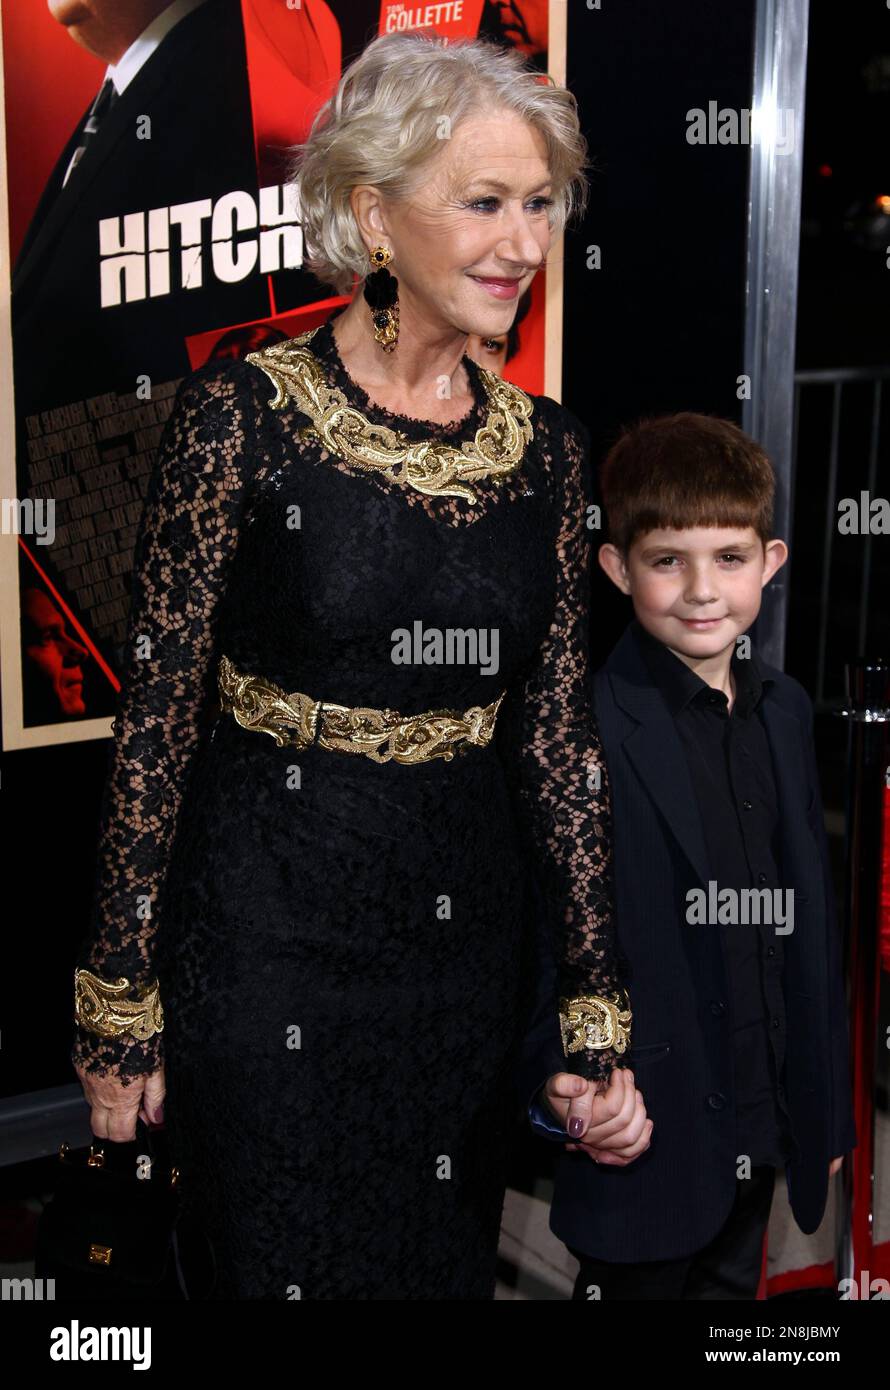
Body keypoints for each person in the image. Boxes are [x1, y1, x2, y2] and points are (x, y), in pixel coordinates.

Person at [70, 31, 651, 1301]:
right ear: (373, 218)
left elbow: (554, 741)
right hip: (263, 940)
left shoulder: (549, 455)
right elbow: (156, 723)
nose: (523, 241)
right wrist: (119, 998)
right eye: (485, 202)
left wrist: (592, 1003)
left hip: (456, 964)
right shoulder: (240, 417)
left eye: (540, 203)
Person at [518, 412, 858, 1299]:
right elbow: (532, 945)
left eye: (731, 559)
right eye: (668, 560)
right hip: (646, 1150)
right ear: (616, 566)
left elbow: (814, 937)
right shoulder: (578, 733)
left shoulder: (786, 710)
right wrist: (562, 1084)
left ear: (771, 564)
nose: (703, 590)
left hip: (764, 1137)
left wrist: (822, 1114)